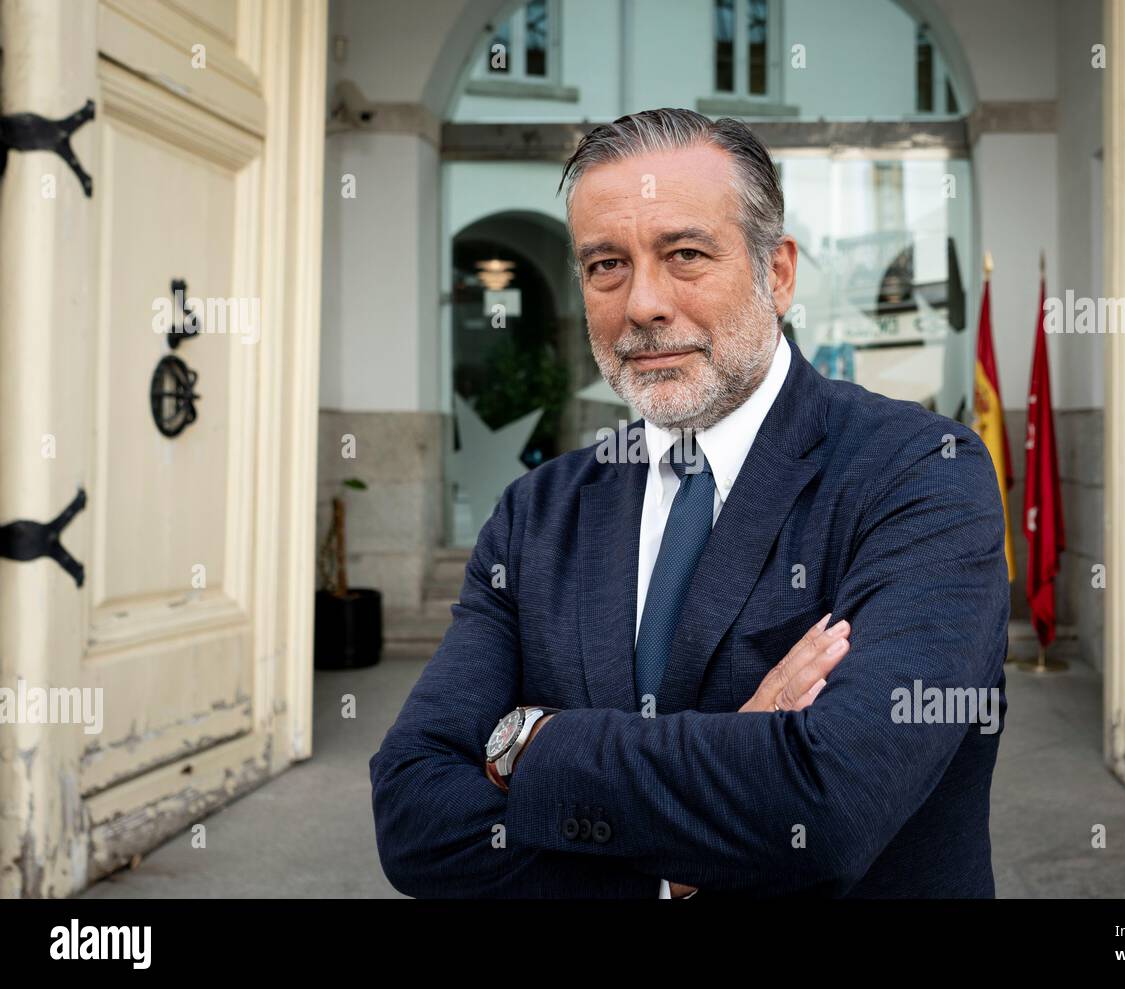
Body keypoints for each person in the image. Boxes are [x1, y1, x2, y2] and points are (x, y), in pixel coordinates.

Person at [370, 107, 1009, 898]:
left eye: (685, 254)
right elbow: (412, 812)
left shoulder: (918, 475)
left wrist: (531, 741)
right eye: (606, 264)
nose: (642, 304)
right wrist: (671, 871)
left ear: (776, 272)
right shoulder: (536, 515)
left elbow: (832, 803)